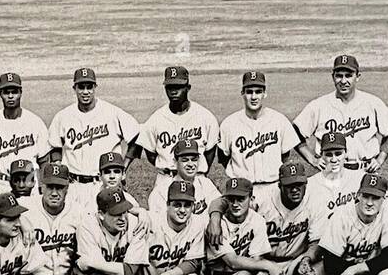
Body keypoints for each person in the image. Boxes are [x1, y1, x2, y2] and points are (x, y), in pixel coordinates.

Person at [249, 160, 329, 275]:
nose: (295, 189)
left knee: (320, 267)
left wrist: (306, 260)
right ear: (279, 185)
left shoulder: (316, 200)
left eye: (299, 184)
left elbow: (316, 242)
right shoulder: (263, 198)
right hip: (268, 262)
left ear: (306, 184)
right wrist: (215, 215)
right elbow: (227, 202)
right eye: (289, 185)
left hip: (297, 259)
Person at [46, 67, 140, 210]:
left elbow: (137, 136)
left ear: (95, 87)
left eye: (89, 87)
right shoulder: (63, 116)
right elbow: (55, 146)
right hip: (73, 185)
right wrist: (58, 163)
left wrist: (124, 166)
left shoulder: (112, 112)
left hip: (102, 184)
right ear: (74, 88)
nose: (85, 92)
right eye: (81, 87)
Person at [293, 55, 388, 175]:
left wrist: (380, 159)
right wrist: (312, 159)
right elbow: (295, 131)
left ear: (357, 77)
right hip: (331, 172)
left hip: (364, 171)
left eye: (348, 75)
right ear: (333, 77)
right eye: (339, 76)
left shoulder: (372, 102)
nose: (343, 81)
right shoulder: (319, 105)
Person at [129, 66, 220, 199]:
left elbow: (210, 152)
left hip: (196, 178)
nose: (174, 91)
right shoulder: (156, 119)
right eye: (170, 87)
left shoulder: (205, 117)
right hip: (166, 178)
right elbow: (151, 154)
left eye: (178, 87)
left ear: (188, 88)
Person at [217, 71, 303, 209]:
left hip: (273, 188)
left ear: (265, 93)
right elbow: (223, 157)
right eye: (249, 92)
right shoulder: (229, 123)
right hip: (242, 192)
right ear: (242, 93)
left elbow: (285, 156)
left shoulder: (279, 120)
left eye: (258, 92)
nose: (253, 96)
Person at [0, 72, 51, 198]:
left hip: (28, 184)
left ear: (20, 93)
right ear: (0, 94)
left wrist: (43, 189)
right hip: (1, 184)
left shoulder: (35, 122)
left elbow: (44, 161)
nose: (10, 96)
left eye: (14, 92)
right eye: (6, 92)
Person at [146, 138, 220, 218]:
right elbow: (158, 221)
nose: (190, 164)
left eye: (194, 160)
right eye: (185, 160)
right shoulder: (161, 190)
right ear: (175, 162)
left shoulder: (205, 184)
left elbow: (220, 205)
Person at [303, 131, 364, 220]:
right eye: (329, 155)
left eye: (338, 154)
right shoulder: (310, 185)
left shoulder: (359, 179)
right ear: (321, 155)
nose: (334, 159)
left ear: (346, 153)